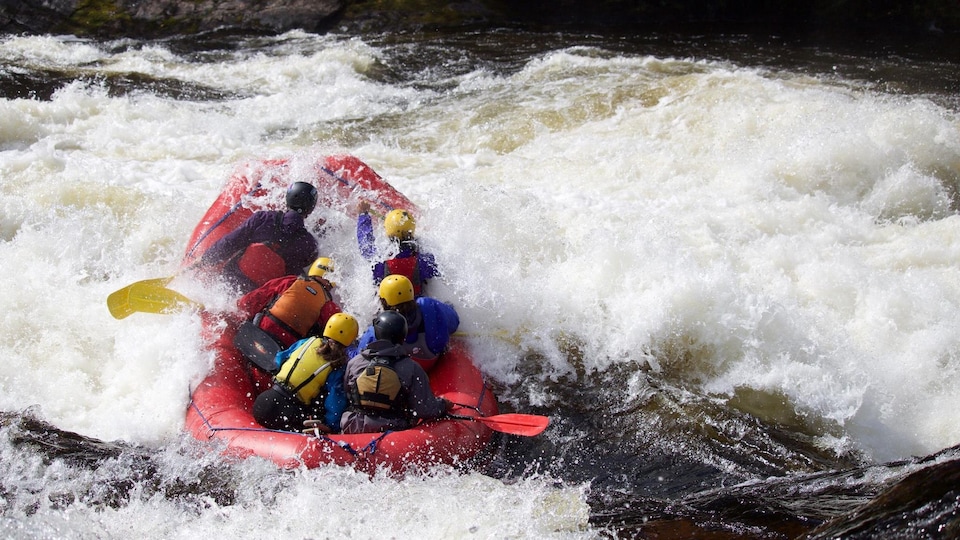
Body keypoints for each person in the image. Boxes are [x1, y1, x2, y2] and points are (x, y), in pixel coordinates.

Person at [340, 310, 453, 434]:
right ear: (402, 337)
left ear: (377, 333)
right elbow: (425, 409)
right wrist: (442, 405)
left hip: (354, 428)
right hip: (393, 430)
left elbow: (347, 393)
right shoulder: (412, 368)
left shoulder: (354, 362)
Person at [199, 181, 320, 294]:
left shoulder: (263, 218)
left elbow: (230, 242)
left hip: (232, 280)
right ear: (310, 209)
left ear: (287, 199)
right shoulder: (309, 244)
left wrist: (205, 260)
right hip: (261, 297)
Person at [252, 312, 359, 432]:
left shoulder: (308, 341)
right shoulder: (337, 365)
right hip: (286, 414)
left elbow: (280, 359)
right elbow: (334, 403)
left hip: (263, 402)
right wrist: (331, 427)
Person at [357, 275, 459, 372]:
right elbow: (454, 323)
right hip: (430, 363)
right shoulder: (429, 306)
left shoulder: (378, 329)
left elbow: (359, 357)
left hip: (400, 375)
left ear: (383, 301)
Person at [236, 256, 341, 349]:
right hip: (287, 348)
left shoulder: (290, 281)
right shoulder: (330, 307)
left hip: (261, 331)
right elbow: (333, 337)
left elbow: (254, 299)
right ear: (332, 282)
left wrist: (238, 311)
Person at [356, 201, 439, 297]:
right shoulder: (424, 261)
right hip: (416, 308)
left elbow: (366, 246)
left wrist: (363, 216)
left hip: (390, 309)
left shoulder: (380, 264)